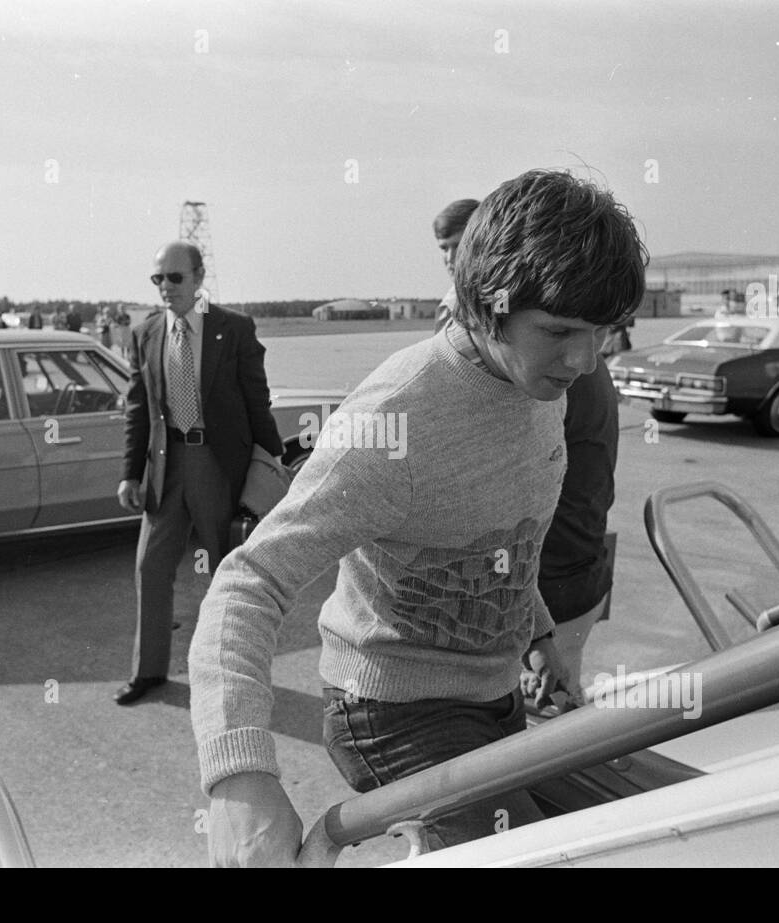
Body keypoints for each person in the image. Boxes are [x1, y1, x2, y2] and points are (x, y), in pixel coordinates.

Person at [190, 169, 647, 865]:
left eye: (601, 332)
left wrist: (541, 633)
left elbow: (505, 538)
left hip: (494, 693)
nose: (585, 360)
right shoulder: (395, 421)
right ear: (490, 306)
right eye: (560, 331)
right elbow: (247, 584)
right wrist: (238, 779)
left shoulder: (539, 383)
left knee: (642, 828)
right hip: (393, 710)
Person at [434, 194, 622, 707]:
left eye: (460, 246)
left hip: (550, 575)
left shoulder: (538, 369)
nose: (451, 261)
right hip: (571, 568)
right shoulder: (563, 357)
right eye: (444, 250)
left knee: (540, 714)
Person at [114, 241, 286, 706]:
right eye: (158, 280)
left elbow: (256, 402)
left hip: (217, 465)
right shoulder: (146, 334)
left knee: (226, 574)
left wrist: (272, 465)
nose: (165, 288)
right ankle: (148, 672)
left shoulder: (232, 329)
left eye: (175, 278)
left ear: (198, 276)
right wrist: (130, 474)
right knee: (150, 568)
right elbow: (137, 409)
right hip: (166, 468)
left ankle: (232, 674)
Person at [432, 198, 480, 333]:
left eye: (458, 246)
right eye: (444, 248)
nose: (450, 258)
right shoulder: (449, 304)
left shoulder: (502, 299)